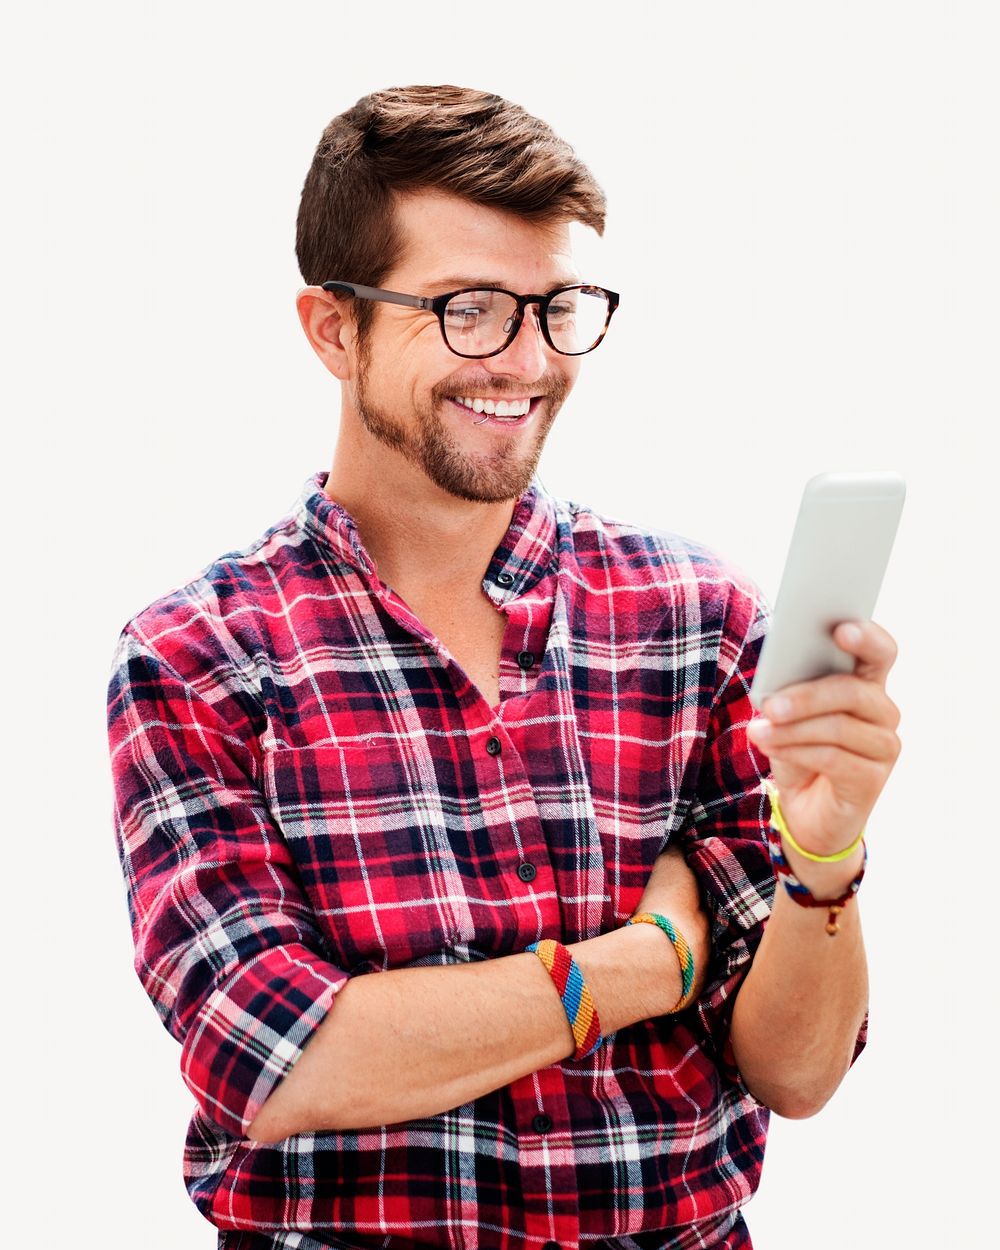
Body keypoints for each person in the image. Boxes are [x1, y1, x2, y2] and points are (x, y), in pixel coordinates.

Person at [106, 85, 901, 1250]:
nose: (527, 361)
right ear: (333, 327)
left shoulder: (697, 618)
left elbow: (795, 1071)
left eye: (558, 306)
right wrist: (648, 960)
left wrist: (824, 854)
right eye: (469, 307)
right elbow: (277, 1062)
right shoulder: (199, 654)